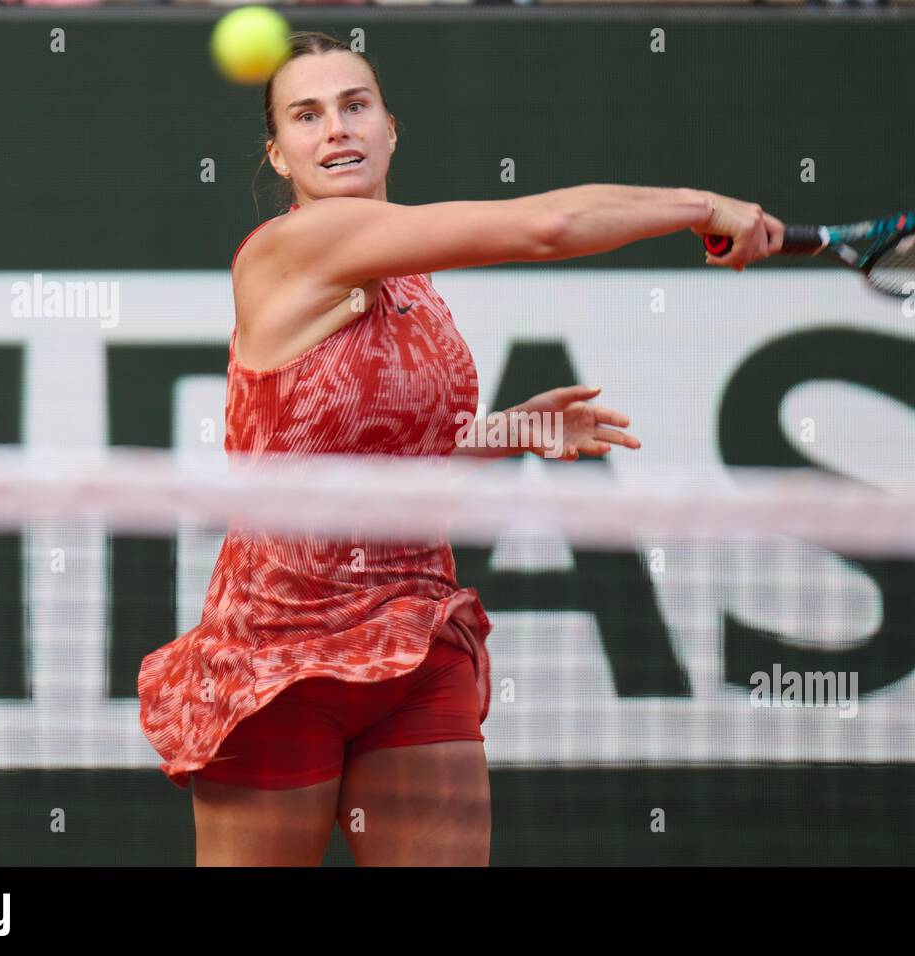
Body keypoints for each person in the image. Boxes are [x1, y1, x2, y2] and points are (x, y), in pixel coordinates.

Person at [137, 30, 783, 867]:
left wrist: (514, 429)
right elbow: (546, 226)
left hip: (415, 636)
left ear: (390, 129)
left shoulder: (412, 279)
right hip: (279, 658)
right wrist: (701, 206)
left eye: (354, 105)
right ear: (281, 154)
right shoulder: (288, 251)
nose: (336, 128)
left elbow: (392, 457)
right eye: (307, 115)